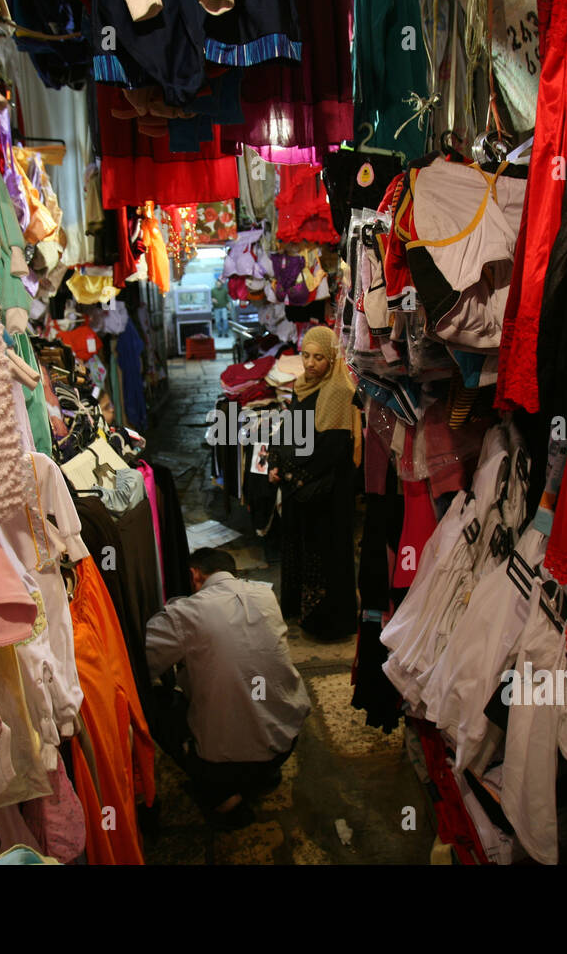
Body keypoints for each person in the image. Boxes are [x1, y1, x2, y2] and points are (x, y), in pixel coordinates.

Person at [144, 547, 310, 828]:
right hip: (286, 741)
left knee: (153, 702)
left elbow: (144, 662)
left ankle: (223, 798)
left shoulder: (187, 612)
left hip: (225, 762)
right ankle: (263, 772)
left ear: (194, 574)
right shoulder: (266, 595)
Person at [267, 325, 360, 641]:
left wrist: (291, 473)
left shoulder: (339, 392)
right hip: (301, 486)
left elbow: (331, 452)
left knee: (324, 555)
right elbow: (291, 429)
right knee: (301, 550)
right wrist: (277, 461)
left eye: (319, 358)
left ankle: (326, 622)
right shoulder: (303, 385)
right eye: (306, 355)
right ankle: (300, 612)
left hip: (326, 492)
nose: (310, 364)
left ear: (332, 359)